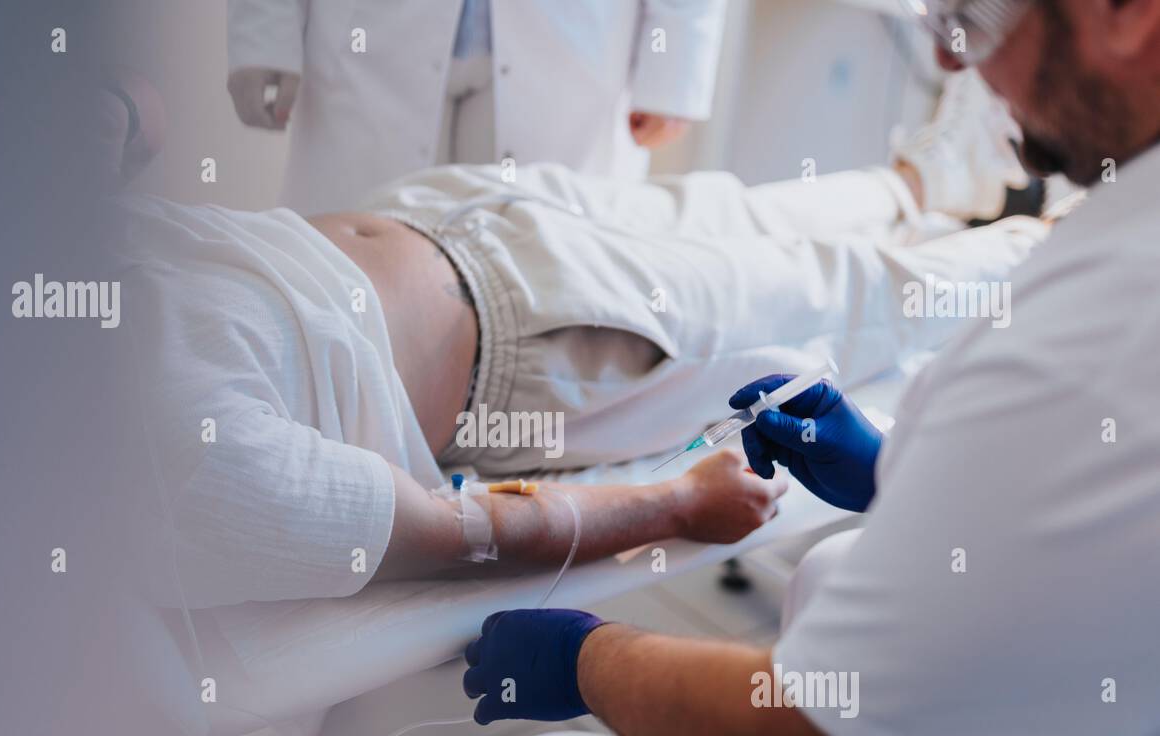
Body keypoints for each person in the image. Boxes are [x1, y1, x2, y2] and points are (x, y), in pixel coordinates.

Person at [440, 0, 1160, 736]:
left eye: (976, 15)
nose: (949, 53)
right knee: (767, 262)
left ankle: (911, 190)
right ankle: (910, 190)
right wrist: (898, 471)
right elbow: (1077, 511)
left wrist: (587, 657)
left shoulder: (1110, 329)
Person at [105, 61, 1044, 610]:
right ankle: (1064, 255)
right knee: (838, 292)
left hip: (449, 213)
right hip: (541, 347)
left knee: (742, 215)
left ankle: (928, 183)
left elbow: (137, 114)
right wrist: (675, 506)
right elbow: (458, 531)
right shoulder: (179, 467)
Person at [225, 0, 728, 213]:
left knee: (543, 292)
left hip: (574, 51)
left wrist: (677, 64)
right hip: (369, 40)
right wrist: (262, 31)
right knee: (345, 276)